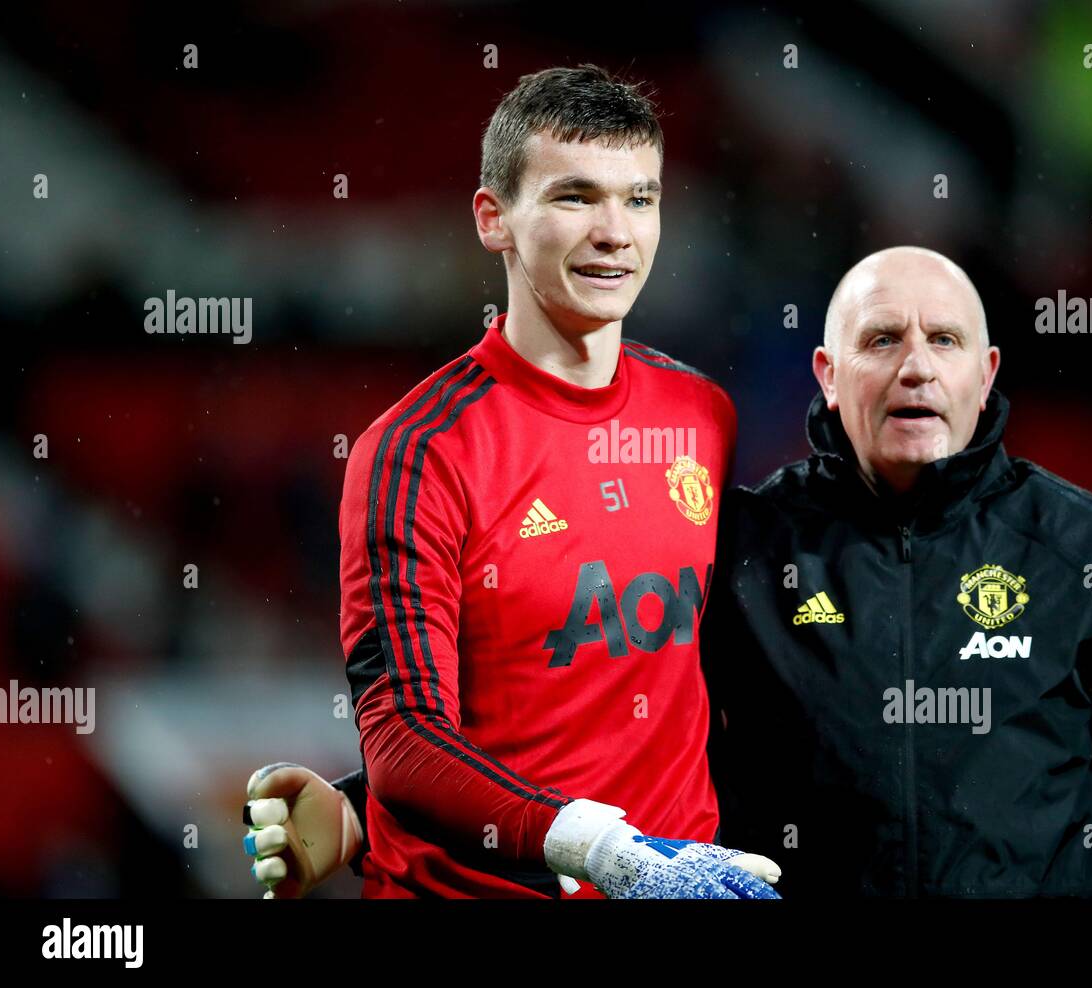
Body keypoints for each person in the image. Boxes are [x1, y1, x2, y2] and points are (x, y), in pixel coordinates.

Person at [242, 64, 780, 900]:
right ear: (494, 219)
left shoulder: (702, 415)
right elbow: (407, 736)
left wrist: (352, 813)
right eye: (575, 197)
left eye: (640, 199)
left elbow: (670, 682)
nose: (615, 232)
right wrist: (608, 852)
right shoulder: (418, 453)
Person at [703, 246, 1092, 897]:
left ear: (985, 375)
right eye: (883, 339)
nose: (916, 367)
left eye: (944, 340)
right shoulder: (746, 549)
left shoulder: (1084, 548)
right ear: (829, 375)